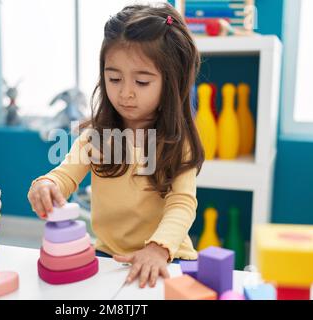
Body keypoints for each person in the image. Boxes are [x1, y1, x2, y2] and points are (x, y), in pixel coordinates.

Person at [28, 3, 204, 288]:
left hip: (169, 255)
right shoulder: (95, 136)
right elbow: (65, 175)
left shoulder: (176, 142)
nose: (125, 93)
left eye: (142, 81)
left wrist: (158, 248)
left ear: (171, 82)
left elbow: (182, 203)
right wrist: (47, 185)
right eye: (114, 78)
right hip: (110, 254)